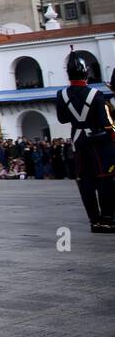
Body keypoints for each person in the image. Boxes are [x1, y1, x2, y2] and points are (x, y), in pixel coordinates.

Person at [55, 52, 115, 233]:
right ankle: (107, 219)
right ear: (86, 73)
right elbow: (105, 123)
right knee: (104, 180)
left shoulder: (61, 94)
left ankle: (94, 221)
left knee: (85, 182)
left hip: (78, 141)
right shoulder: (96, 95)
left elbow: (63, 119)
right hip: (98, 143)